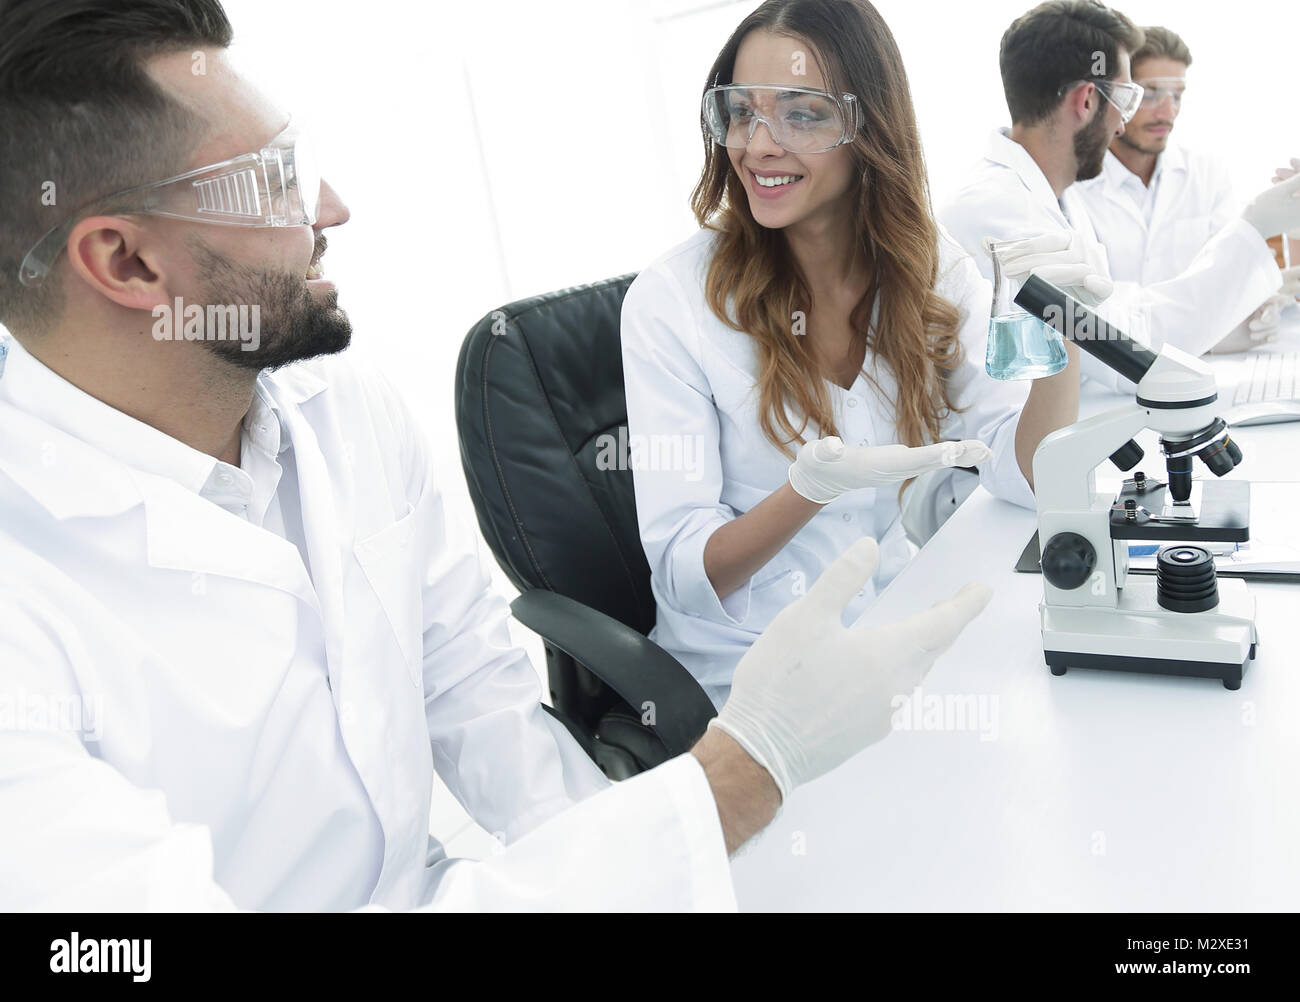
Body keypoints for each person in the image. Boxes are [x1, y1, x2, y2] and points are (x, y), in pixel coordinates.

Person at [0, 0, 994, 912]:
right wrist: (739, 780)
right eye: (276, 183)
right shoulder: (25, 603)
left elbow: (483, 708)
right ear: (125, 262)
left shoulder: (347, 417)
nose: (333, 207)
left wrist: (665, 866)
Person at [620, 0, 1081, 707]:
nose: (758, 144)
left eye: (802, 114)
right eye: (742, 111)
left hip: (896, 628)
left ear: (869, 124)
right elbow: (687, 575)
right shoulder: (672, 302)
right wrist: (809, 491)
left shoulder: (927, 266)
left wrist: (1062, 338)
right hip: (756, 679)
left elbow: (1027, 473)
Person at [939, 0, 1300, 389]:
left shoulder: (1052, 196)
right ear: (1088, 100)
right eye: (1129, 98)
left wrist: (1224, 319)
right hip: (1006, 445)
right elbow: (1126, 352)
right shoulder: (998, 211)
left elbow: (1125, 308)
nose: (1125, 119)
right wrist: (1256, 224)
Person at [1073, 25, 1295, 351]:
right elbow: (1097, 309)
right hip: (1110, 374)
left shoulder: (1206, 173)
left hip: (1204, 367)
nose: (1168, 112)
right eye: (1149, 94)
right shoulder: (1076, 186)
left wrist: (1259, 301)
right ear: (1120, 93)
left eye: (1177, 95)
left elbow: (1227, 278)